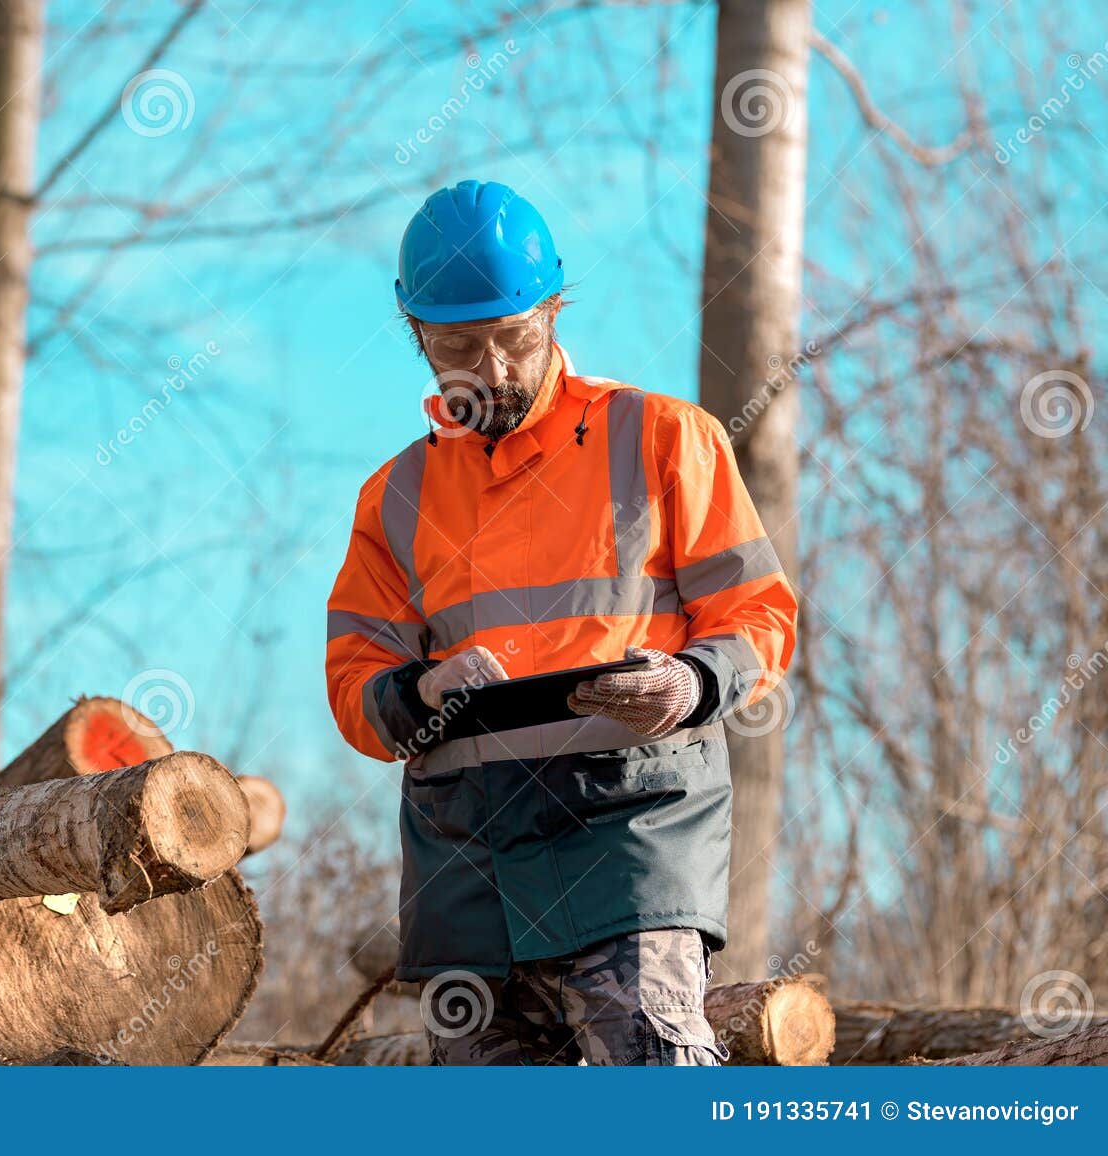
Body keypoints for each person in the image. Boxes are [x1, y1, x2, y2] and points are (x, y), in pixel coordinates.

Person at [325, 180, 798, 1065]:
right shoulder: (394, 498)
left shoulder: (662, 438)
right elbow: (354, 681)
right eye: (460, 347)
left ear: (555, 311)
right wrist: (419, 688)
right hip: (467, 864)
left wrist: (693, 683)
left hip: (633, 833)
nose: (493, 372)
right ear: (416, 333)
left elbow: (757, 613)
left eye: (515, 339)